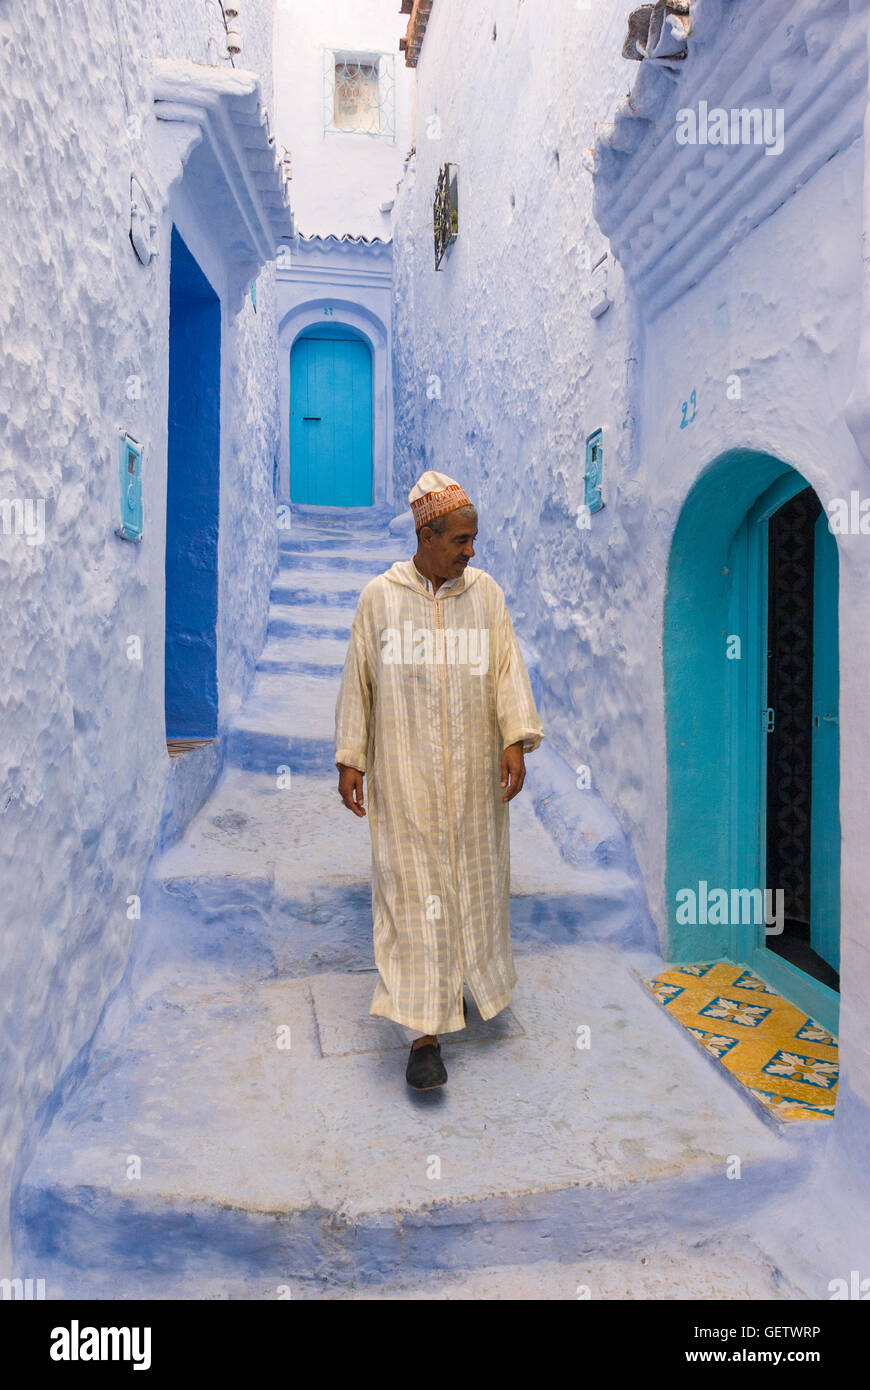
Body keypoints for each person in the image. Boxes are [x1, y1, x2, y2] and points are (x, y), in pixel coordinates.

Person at [334, 471, 544, 1089]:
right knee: (411, 897)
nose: (471, 550)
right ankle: (421, 1037)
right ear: (426, 535)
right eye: (461, 539)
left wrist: (513, 740)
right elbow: (359, 680)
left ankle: (472, 985)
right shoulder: (380, 597)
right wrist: (352, 757)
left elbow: (507, 668)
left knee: (474, 887)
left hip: (475, 783)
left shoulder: (486, 596)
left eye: (474, 539)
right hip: (407, 782)